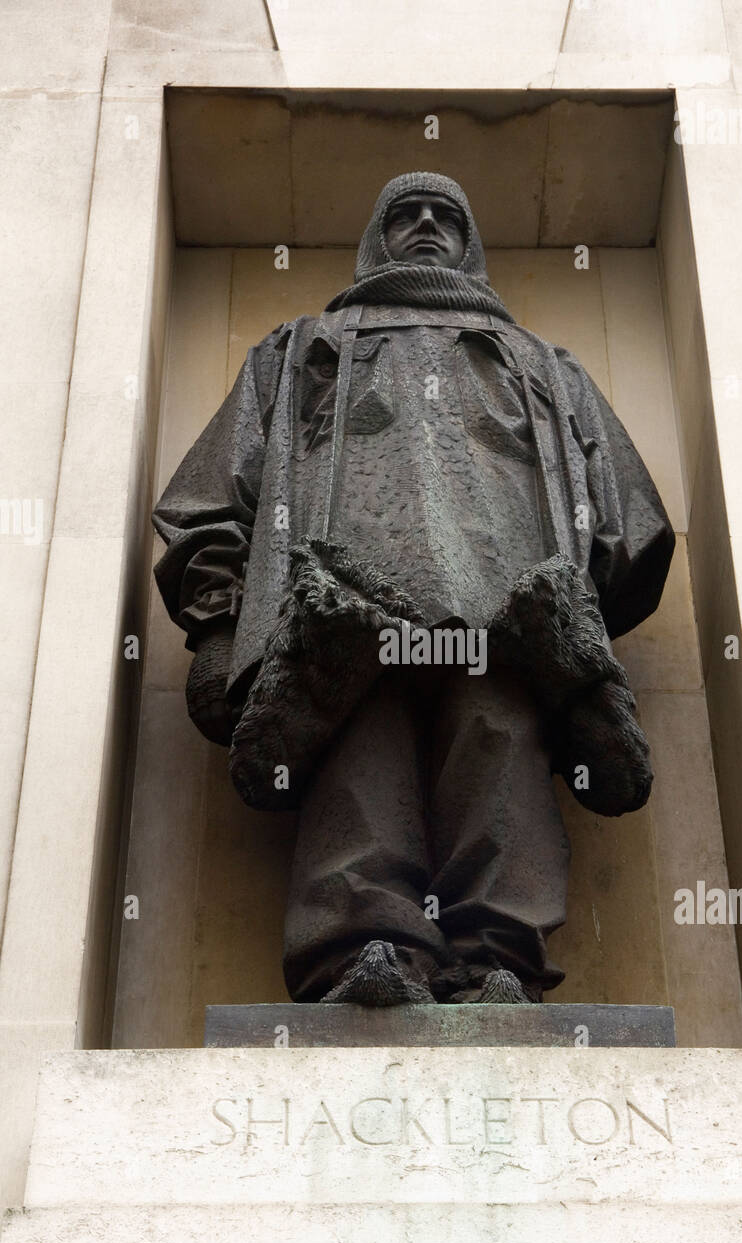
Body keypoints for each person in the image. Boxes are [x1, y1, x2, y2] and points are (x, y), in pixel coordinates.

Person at [152, 172, 674, 1006]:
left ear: (471, 241)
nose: (426, 225)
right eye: (406, 214)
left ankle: (497, 960)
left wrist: (571, 628)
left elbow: (629, 523)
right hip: (344, 617)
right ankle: (363, 947)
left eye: (445, 215)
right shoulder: (297, 352)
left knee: (498, 748)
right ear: (377, 236)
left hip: (506, 617)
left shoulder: (545, 366)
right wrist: (216, 623)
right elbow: (215, 496)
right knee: (363, 758)